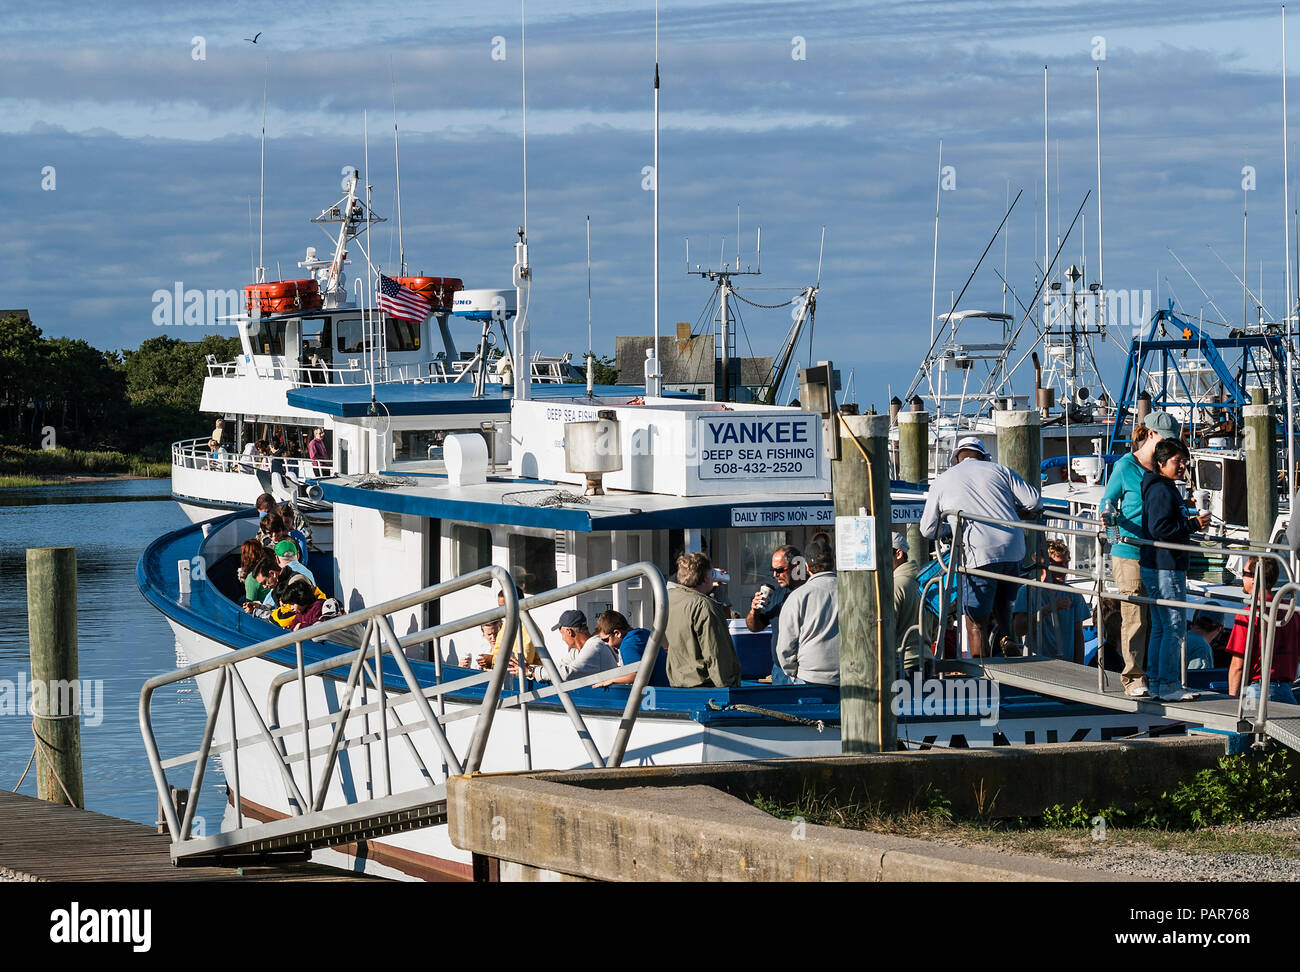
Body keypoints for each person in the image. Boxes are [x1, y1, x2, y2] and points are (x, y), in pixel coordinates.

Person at [920, 435, 1042, 658]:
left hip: (978, 553)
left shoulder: (943, 480)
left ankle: (982, 673)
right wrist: (1014, 513)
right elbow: (1034, 502)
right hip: (1013, 548)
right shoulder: (1000, 470)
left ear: (957, 457)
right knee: (1003, 603)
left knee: (975, 623)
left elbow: (927, 530)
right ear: (983, 456)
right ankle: (1008, 639)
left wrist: (951, 531)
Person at [1101, 410, 1181, 698]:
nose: (1169, 446)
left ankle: (1160, 678)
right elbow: (1107, 503)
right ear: (1150, 434)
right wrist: (1110, 525)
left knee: (1161, 618)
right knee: (1135, 614)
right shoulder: (1125, 467)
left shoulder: (1163, 470)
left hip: (1157, 553)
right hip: (1129, 549)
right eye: (1165, 439)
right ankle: (1134, 677)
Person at [1140, 437, 1210, 702]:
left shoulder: (1163, 488)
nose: (1182, 466)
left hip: (1160, 565)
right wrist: (1192, 525)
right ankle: (1168, 683)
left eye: (1184, 461)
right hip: (1165, 566)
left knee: (1161, 627)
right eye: (1176, 461)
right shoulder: (1161, 490)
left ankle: (1158, 682)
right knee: (1174, 627)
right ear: (1161, 463)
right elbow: (1159, 529)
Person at [1227, 556, 1300, 703]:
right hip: (1286, 690)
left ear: (1254, 578)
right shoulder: (1291, 612)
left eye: (1244, 573)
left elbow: (1237, 665)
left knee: (1249, 726)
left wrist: (1232, 701)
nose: (1242, 577)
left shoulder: (1249, 614)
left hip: (1257, 691)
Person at [664, 552, 742, 688]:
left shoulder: (669, 599)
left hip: (678, 683)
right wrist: (729, 687)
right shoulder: (704, 606)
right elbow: (716, 653)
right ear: (706, 578)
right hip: (704, 686)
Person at [773, 539, 839, 686]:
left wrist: (793, 674)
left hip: (809, 678)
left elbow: (785, 647)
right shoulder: (852, 592)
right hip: (849, 676)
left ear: (807, 567)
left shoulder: (797, 597)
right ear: (833, 562)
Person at [1012, 538, 1087, 663]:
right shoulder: (1026, 591)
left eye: (1066, 564)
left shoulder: (1074, 595)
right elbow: (1019, 630)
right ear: (1043, 565)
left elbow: (1078, 634)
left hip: (1067, 666)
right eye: (1058, 565)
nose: (1064, 569)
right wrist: (1048, 609)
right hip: (1036, 664)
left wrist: (1080, 668)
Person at [514, 609, 618, 682]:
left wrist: (531, 671)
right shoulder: (579, 650)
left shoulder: (595, 647)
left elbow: (567, 673)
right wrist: (528, 668)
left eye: (562, 634)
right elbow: (558, 667)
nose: (562, 639)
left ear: (569, 632)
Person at [592, 610, 666, 688]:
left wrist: (611, 680)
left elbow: (636, 675)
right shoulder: (643, 633)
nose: (606, 644)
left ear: (617, 633)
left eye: (606, 640)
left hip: (659, 693)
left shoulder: (627, 645)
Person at [745, 544, 804, 633]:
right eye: (773, 570)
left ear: (796, 567)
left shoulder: (813, 591)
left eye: (779, 570)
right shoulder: (777, 594)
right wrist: (754, 611)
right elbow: (755, 628)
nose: (775, 575)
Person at [891, 533, 925, 675]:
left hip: (905, 662)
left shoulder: (897, 585)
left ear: (898, 554)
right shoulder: (921, 581)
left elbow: (888, 628)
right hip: (925, 657)